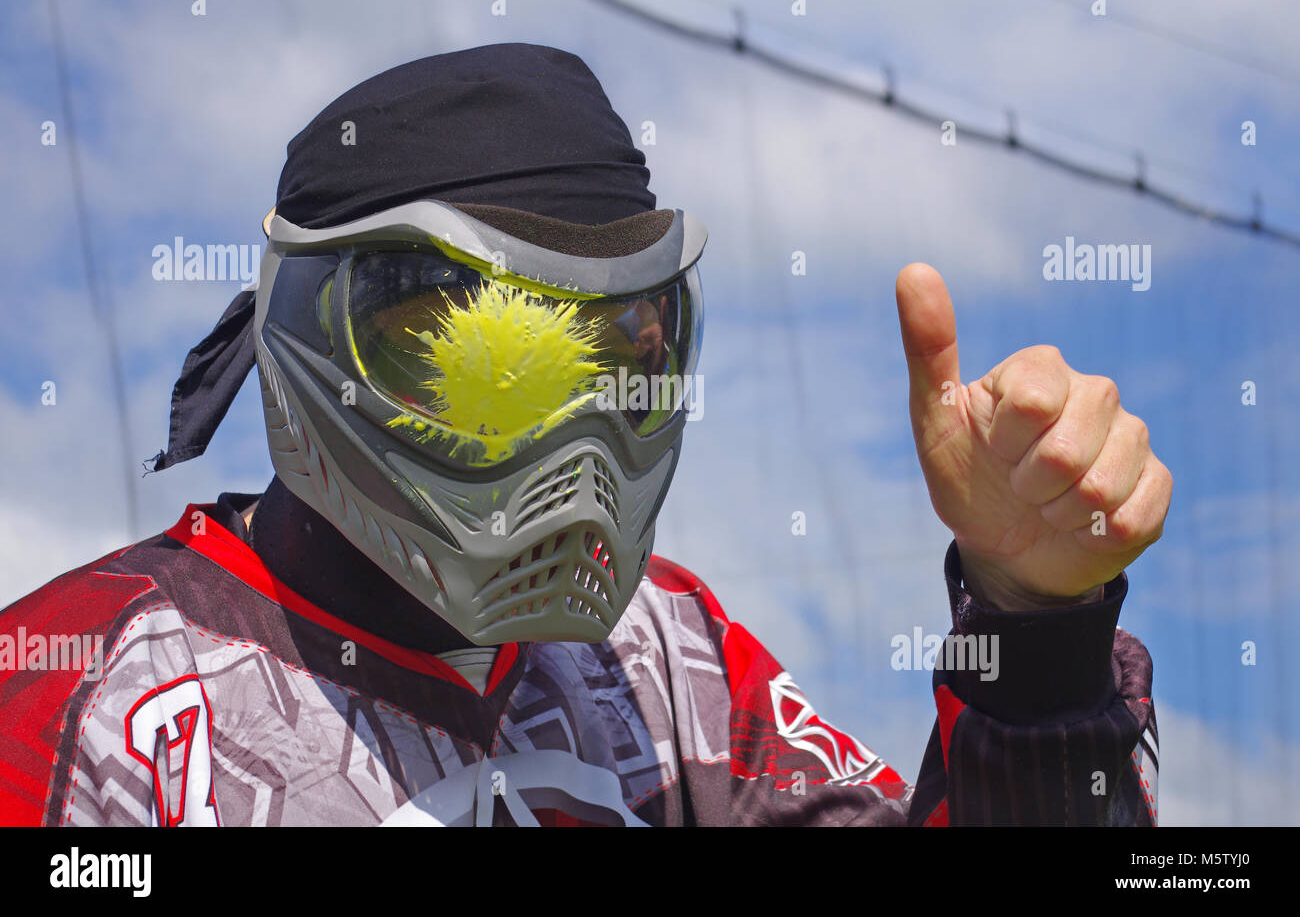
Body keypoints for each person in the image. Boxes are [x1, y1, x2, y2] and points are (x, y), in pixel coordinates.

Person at [0, 43, 1169, 827]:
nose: (563, 439)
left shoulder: (672, 657)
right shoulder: (83, 696)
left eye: (614, 355)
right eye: (452, 354)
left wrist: (1035, 633)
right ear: (306, 334)